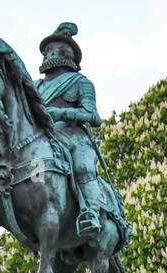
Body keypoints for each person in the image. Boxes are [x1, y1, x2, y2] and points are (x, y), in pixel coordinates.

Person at [35, 23, 114, 239]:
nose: (45, 55)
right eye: (45, 51)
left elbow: (93, 116)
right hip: (41, 136)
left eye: (50, 50)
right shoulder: (35, 86)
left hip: (73, 136)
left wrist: (61, 114)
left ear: (64, 54)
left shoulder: (81, 83)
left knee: (83, 166)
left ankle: (91, 212)